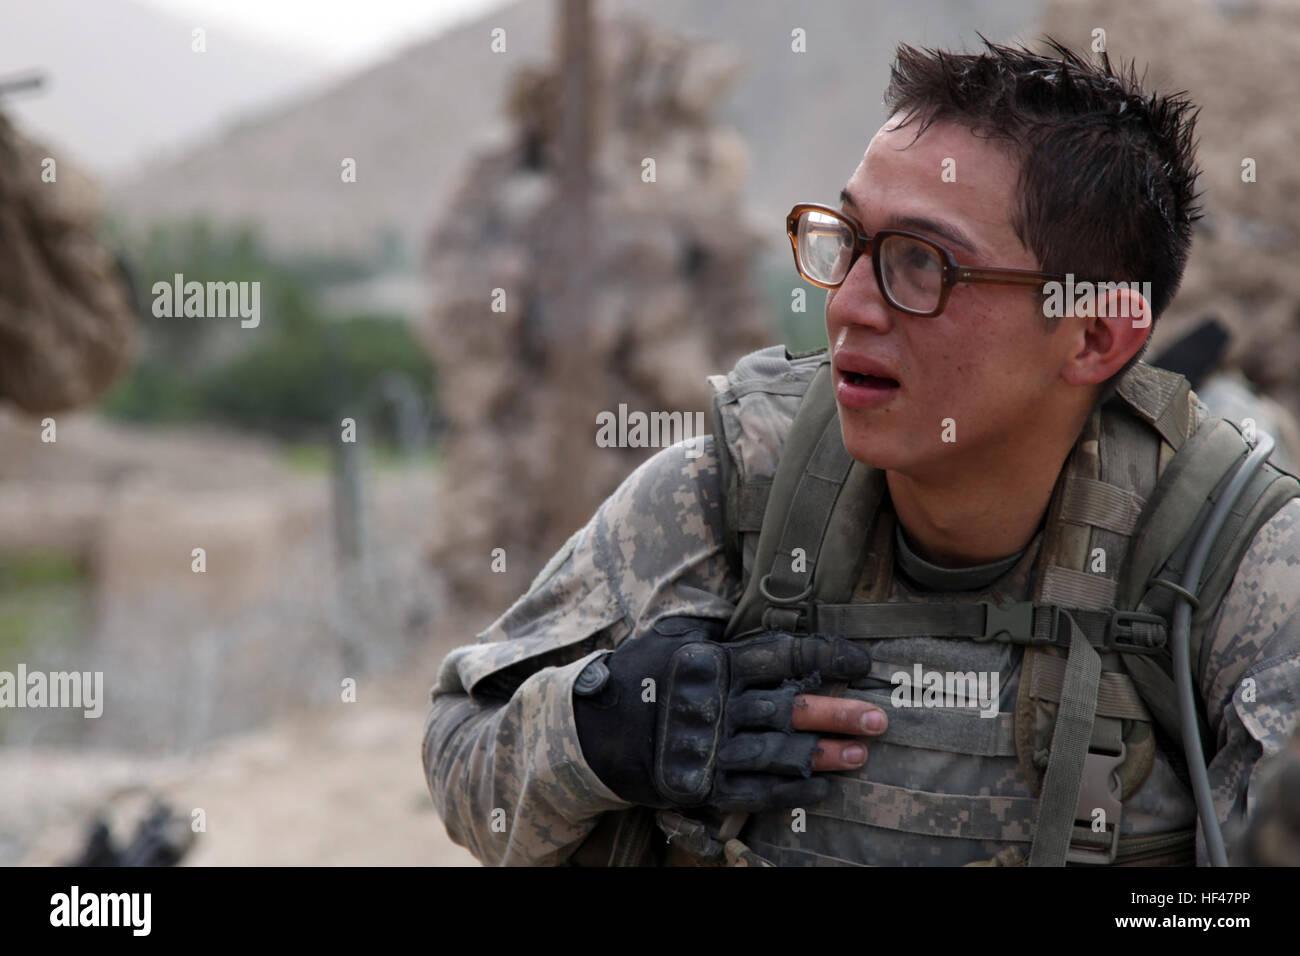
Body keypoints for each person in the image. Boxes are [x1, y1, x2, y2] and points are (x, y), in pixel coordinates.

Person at [422, 38, 1300, 866]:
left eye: (922, 264)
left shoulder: (1231, 555)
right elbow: (462, 752)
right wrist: (604, 735)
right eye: (847, 242)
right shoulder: (734, 491)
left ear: (1095, 335)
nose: (847, 305)